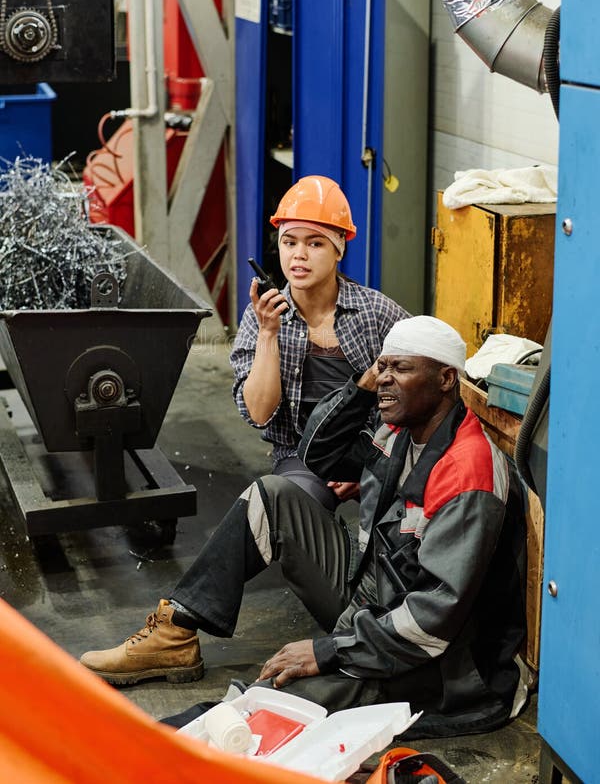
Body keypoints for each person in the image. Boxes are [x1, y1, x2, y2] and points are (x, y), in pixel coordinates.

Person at [80, 316, 527, 737]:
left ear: (447, 379)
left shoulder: (468, 473)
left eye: (401, 368)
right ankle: (176, 631)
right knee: (274, 495)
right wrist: (363, 387)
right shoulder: (402, 430)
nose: (384, 377)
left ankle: (161, 747)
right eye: (382, 366)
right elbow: (317, 453)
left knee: (277, 702)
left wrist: (330, 651)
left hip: (438, 663)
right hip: (375, 599)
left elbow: (431, 624)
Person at [230, 174, 409, 509]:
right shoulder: (263, 315)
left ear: (339, 246)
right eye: (290, 242)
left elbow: (419, 389)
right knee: (288, 507)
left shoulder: (375, 312)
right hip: (303, 457)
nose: (299, 255)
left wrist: (373, 469)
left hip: (374, 450)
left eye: (315, 243)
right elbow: (258, 413)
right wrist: (269, 333)